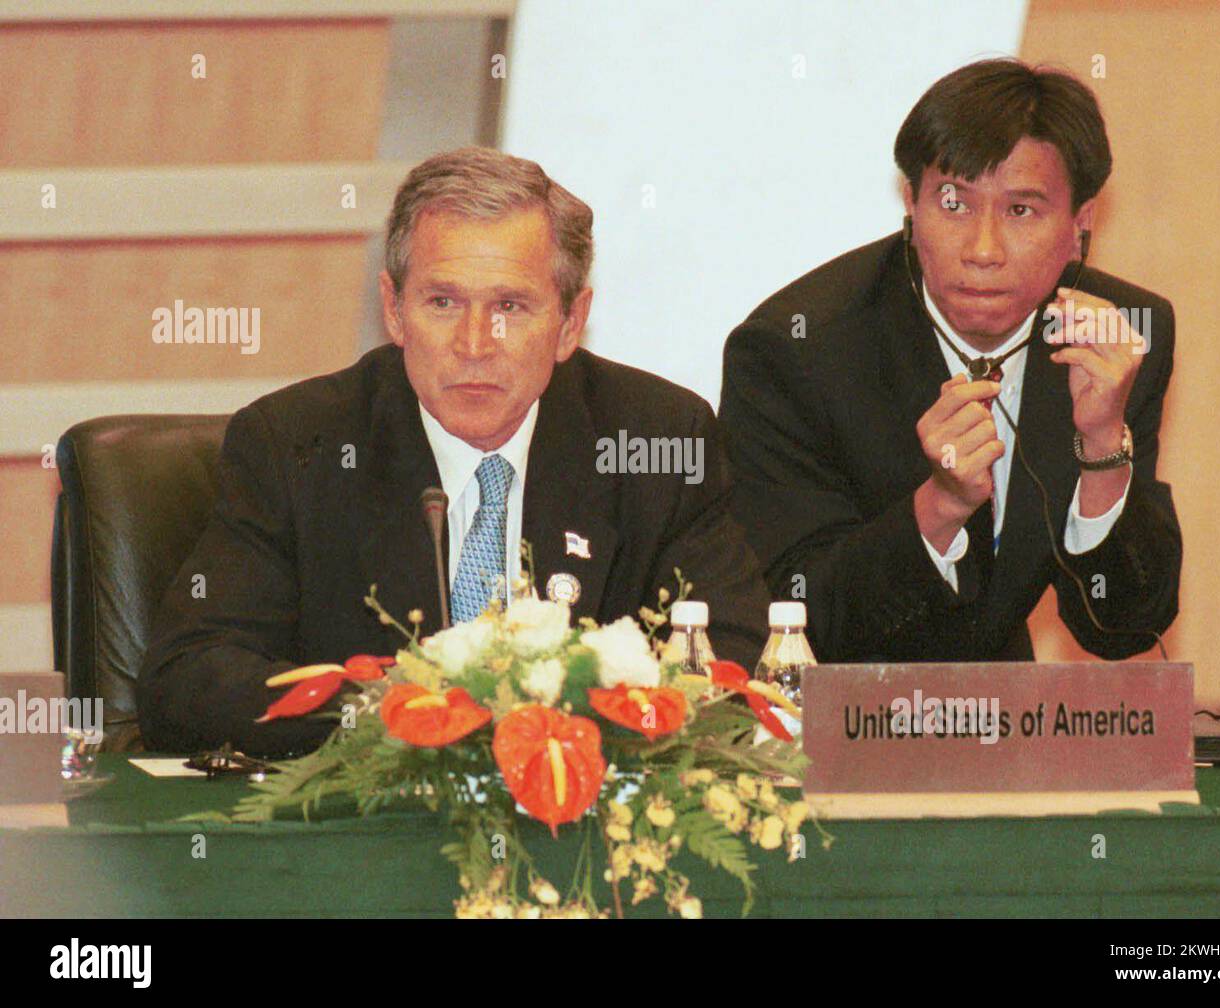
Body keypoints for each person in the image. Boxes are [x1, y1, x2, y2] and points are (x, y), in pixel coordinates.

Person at [139, 147, 769, 756]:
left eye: (510, 306)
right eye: (442, 302)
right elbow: (190, 678)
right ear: (394, 309)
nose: (474, 343)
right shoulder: (297, 446)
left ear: (571, 323)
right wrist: (398, 717)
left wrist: (568, 724)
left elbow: (735, 663)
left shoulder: (655, 438)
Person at [719, 59, 1181, 664]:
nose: (983, 250)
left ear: (1080, 224)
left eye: (1021, 211)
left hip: (1007, 727)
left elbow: (1123, 626)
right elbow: (789, 621)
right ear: (910, 203)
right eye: (954, 203)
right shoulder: (794, 350)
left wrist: (1101, 448)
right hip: (833, 732)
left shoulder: (1114, 338)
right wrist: (939, 507)